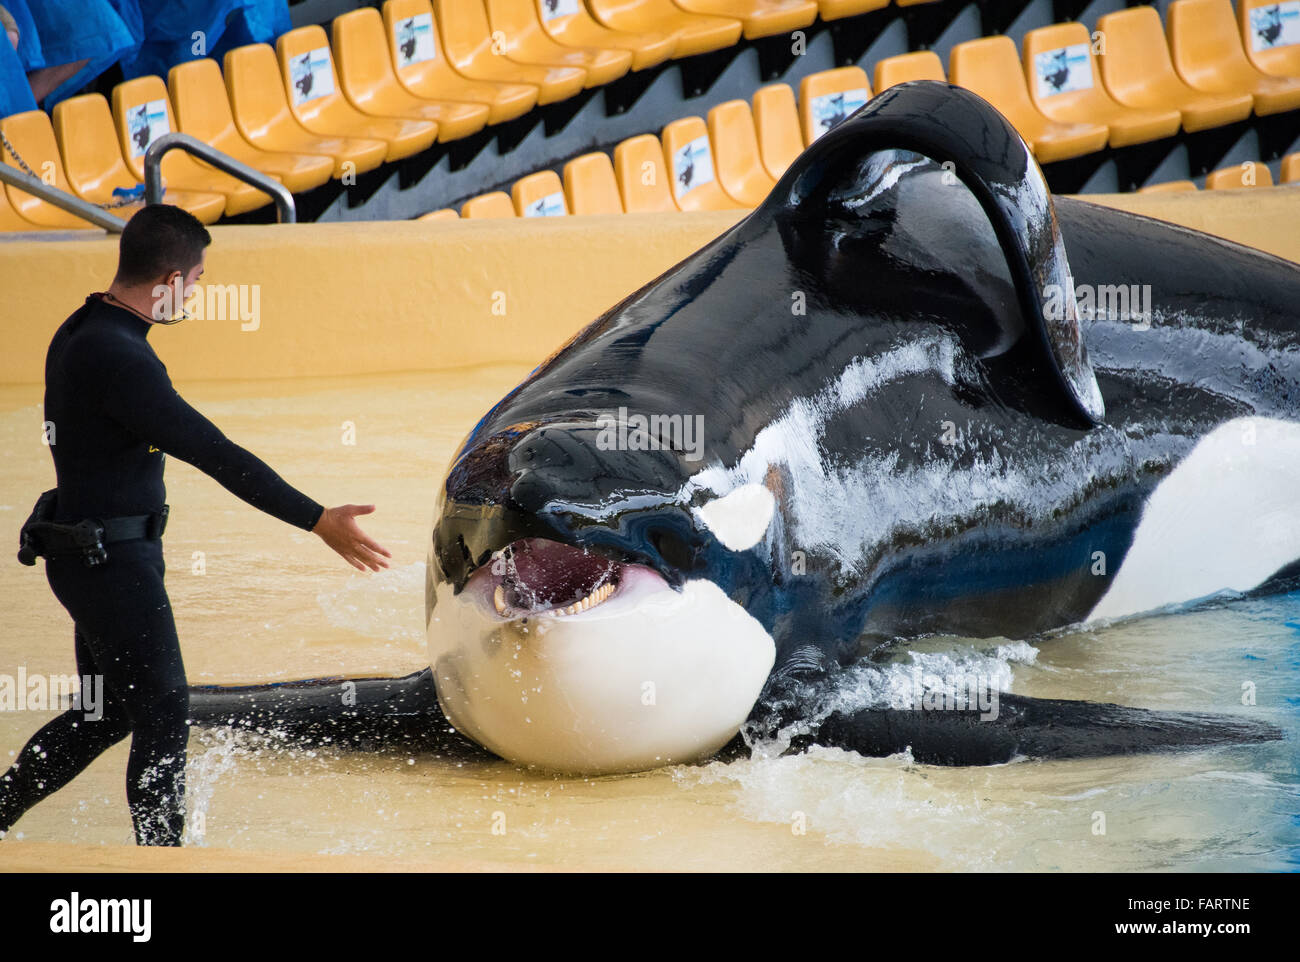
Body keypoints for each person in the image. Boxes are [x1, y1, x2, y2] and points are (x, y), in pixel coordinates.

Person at [0, 204, 390, 846]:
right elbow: (213, 452)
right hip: (107, 561)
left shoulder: (85, 328)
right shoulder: (118, 357)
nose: (199, 293)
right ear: (171, 281)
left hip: (90, 552)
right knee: (163, 710)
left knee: (105, 716)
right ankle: (163, 861)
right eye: (198, 281)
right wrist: (317, 518)